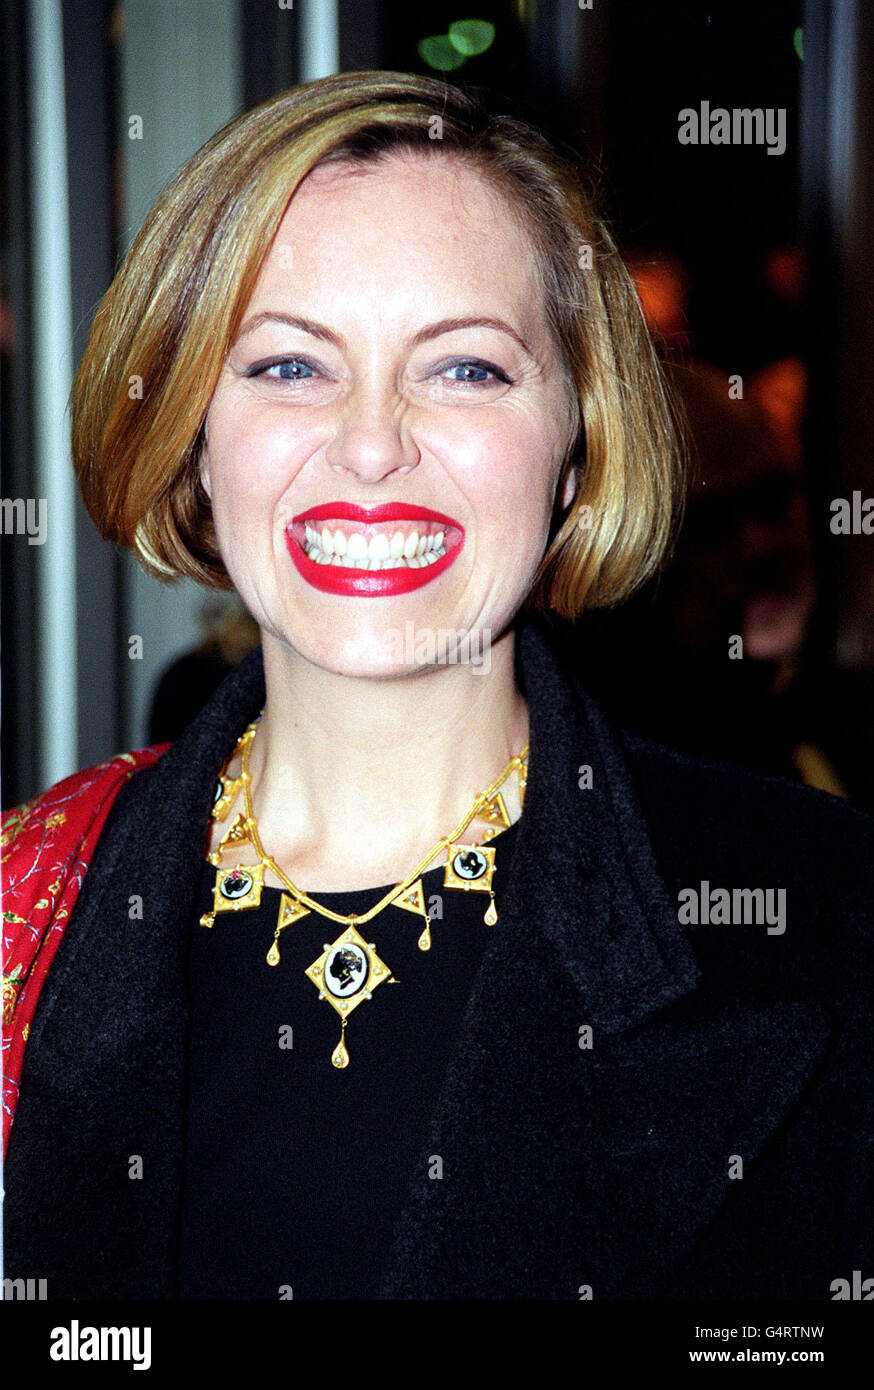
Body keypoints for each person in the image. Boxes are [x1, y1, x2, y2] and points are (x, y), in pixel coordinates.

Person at [3, 70, 873, 1302]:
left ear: (577, 443)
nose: (371, 445)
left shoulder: (830, 917)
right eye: (290, 368)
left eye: (464, 369)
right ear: (193, 440)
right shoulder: (26, 907)